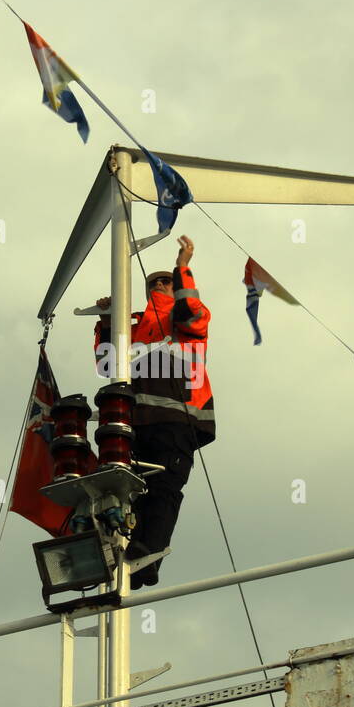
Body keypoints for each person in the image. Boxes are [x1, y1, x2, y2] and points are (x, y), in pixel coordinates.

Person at [94, 234, 214, 587]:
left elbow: (193, 312)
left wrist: (182, 269)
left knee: (163, 490)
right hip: (138, 425)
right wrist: (106, 321)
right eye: (154, 281)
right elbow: (107, 366)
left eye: (166, 281)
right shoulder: (133, 329)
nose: (160, 284)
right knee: (138, 494)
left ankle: (147, 553)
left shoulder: (186, 319)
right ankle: (140, 561)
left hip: (177, 421)